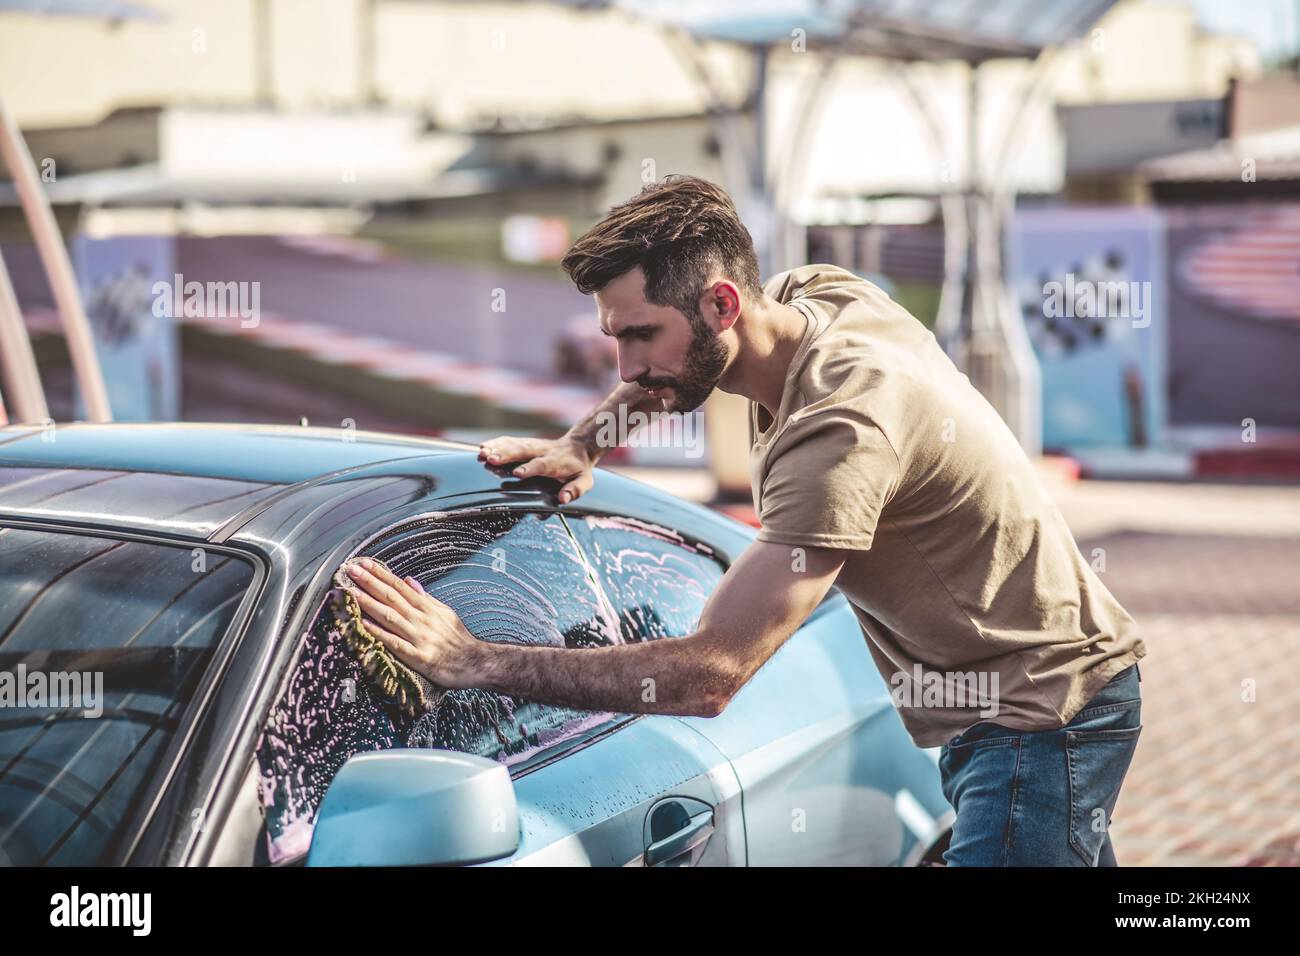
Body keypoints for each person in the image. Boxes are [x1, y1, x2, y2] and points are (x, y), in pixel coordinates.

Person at [343, 174, 1148, 866]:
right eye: (614, 336)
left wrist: (475, 659)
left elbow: (711, 673)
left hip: (1043, 716)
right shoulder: (812, 297)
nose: (625, 365)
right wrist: (586, 444)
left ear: (723, 302)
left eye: (640, 334)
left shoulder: (841, 431)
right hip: (1017, 703)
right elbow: (673, 374)